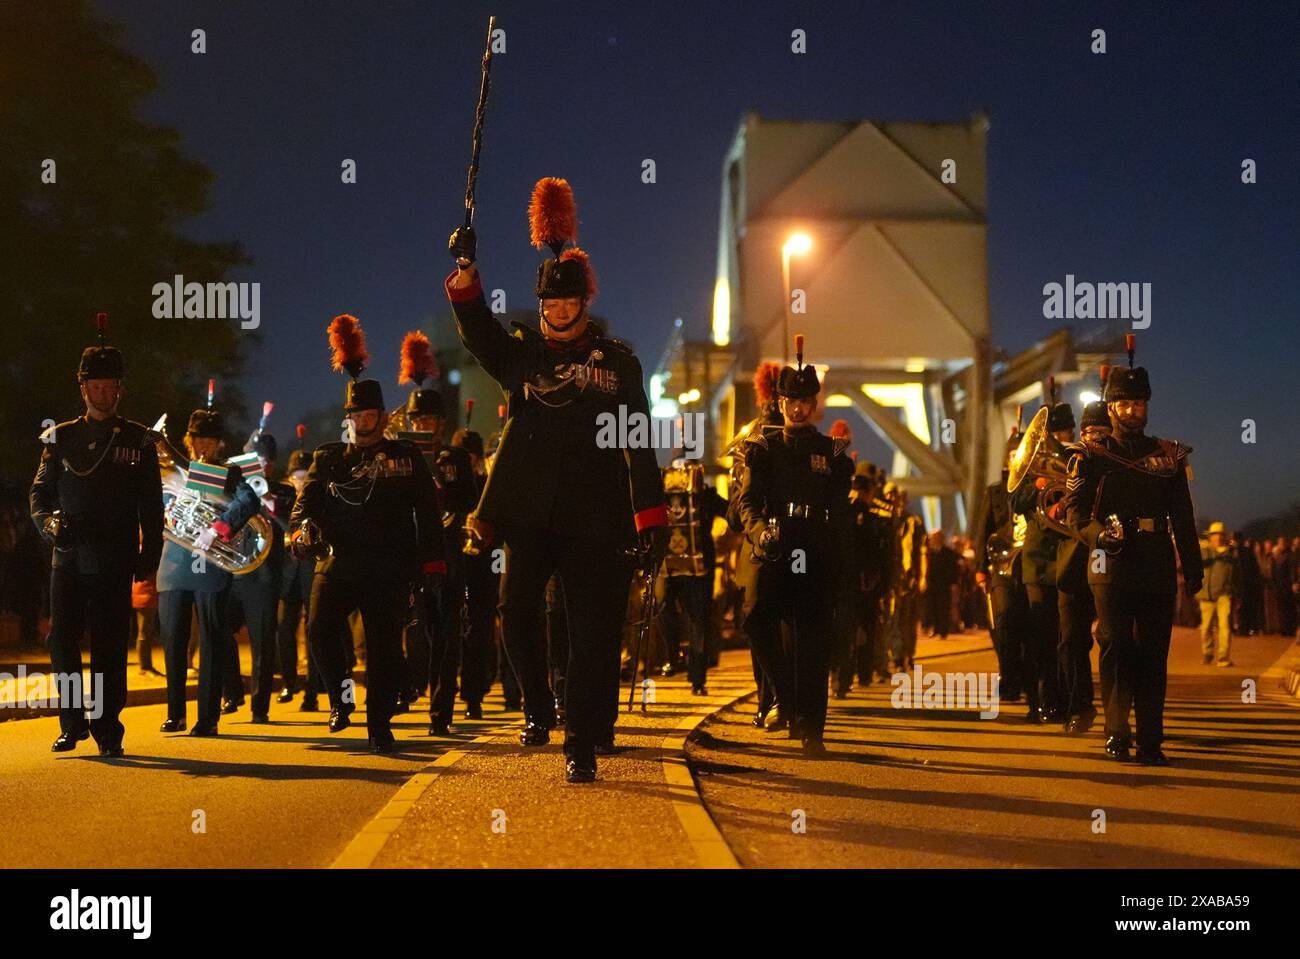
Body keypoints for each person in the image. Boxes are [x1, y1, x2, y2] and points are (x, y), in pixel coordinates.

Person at [444, 177, 667, 782]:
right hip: (529, 511)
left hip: (597, 515)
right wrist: (467, 272)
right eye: (549, 304)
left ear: (583, 304)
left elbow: (638, 438)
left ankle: (581, 743)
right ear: (540, 306)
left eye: (567, 303)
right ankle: (539, 707)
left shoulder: (618, 362)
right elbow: (479, 335)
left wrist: (651, 515)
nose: (558, 311)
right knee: (516, 610)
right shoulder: (522, 353)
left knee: (593, 632)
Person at [290, 314, 447, 753]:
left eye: (371, 412)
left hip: (389, 566)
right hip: (338, 562)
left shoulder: (406, 457)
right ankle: (341, 699)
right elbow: (306, 505)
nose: (364, 419)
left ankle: (379, 726)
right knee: (320, 629)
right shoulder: (329, 458)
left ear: (381, 415)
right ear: (350, 417)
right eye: (357, 413)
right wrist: (302, 531)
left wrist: (433, 563)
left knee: (384, 650)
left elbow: (427, 513)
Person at [30, 314, 164, 755]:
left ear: (120, 389)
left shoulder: (140, 440)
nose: (105, 393)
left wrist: (149, 559)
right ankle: (71, 724)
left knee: (109, 647)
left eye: (112, 386)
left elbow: (152, 507)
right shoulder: (60, 438)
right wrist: (49, 525)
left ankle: (107, 729)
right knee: (62, 641)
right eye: (97, 385)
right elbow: (40, 493)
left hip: (114, 559)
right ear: (83, 388)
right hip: (67, 558)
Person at [1064, 335, 1200, 765]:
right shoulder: (1091, 456)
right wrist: (1098, 536)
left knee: (1155, 653)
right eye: (1124, 404)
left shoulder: (1167, 457)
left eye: (1139, 403)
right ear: (1111, 407)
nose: (1133, 411)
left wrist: (1192, 568)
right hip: (1110, 564)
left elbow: (1183, 516)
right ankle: (1116, 733)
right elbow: (1075, 512)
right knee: (1117, 647)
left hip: (1156, 561)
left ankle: (1151, 741)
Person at [736, 337, 853, 756]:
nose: (798, 408)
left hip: (816, 546)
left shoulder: (833, 452)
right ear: (780, 402)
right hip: (778, 542)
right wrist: (758, 531)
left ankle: (811, 729)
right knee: (754, 617)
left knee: (812, 638)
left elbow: (841, 512)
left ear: (815, 403)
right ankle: (785, 695)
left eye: (805, 400)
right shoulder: (764, 448)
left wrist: (842, 563)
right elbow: (745, 501)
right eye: (791, 400)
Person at [156, 390, 264, 736]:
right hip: (173, 562)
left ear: (219, 444)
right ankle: (175, 713)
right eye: (197, 438)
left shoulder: (229, 472)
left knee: (212, 638)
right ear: (188, 440)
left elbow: (250, 501)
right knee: (172, 639)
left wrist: (220, 526)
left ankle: (207, 717)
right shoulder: (172, 472)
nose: (203, 446)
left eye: (210, 440)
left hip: (211, 561)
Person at [975, 432, 1029, 703]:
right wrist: (980, 568)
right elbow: (983, 529)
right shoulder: (995, 490)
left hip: (1029, 566)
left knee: (1027, 623)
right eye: (1012, 454)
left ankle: (1026, 680)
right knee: (1004, 619)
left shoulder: (1034, 487)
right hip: (1001, 567)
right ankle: (1008, 679)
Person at [1197, 521, 1237, 667]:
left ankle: (1223, 657)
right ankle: (1207, 653)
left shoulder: (1231, 554)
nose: (1217, 538)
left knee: (1224, 626)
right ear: (1210, 537)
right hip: (1206, 595)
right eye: (1215, 535)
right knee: (1206, 627)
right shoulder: (1205, 552)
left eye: (1220, 535)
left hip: (1224, 595)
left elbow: (1236, 575)